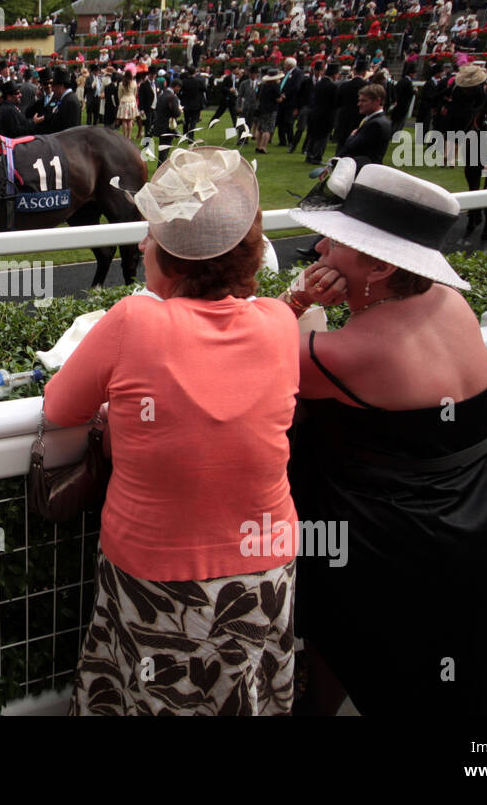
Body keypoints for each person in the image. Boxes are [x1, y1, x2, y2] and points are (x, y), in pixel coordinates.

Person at [44, 148, 299, 715]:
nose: (140, 245)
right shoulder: (282, 321)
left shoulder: (134, 319)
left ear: (178, 261)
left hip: (156, 574)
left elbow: (60, 406)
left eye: (152, 237)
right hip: (267, 570)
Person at [282, 161, 487, 715]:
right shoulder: (449, 303)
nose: (317, 250)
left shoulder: (351, 354)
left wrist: (299, 300)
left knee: (375, 670)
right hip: (472, 531)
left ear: (381, 267)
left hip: (385, 551)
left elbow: (266, 353)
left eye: (336, 243)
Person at [335, 84, 393, 168]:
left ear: (377, 101)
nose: (359, 104)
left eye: (364, 101)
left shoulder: (376, 124)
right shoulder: (376, 121)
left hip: (362, 170)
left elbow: (352, 147)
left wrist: (351, 136)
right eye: (359, 100)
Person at [152, 74, 182, 163]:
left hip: (160, 124)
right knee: (165, 148)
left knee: (162, 148)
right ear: (176, 87)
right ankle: (162, 165)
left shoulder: (162, 95)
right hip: (168, 126)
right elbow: (176, 113)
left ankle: (161, 164)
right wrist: (180, 110)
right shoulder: (172, 97)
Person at [115, 70, 138, 139]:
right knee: (130, 120)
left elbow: (119, 94)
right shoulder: (134, 83)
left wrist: (120, 100)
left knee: (124, 120)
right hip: (132, 101)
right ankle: (129, 135)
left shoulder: (121, 84)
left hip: (124, 101)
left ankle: (124, 135)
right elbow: (135, 92)